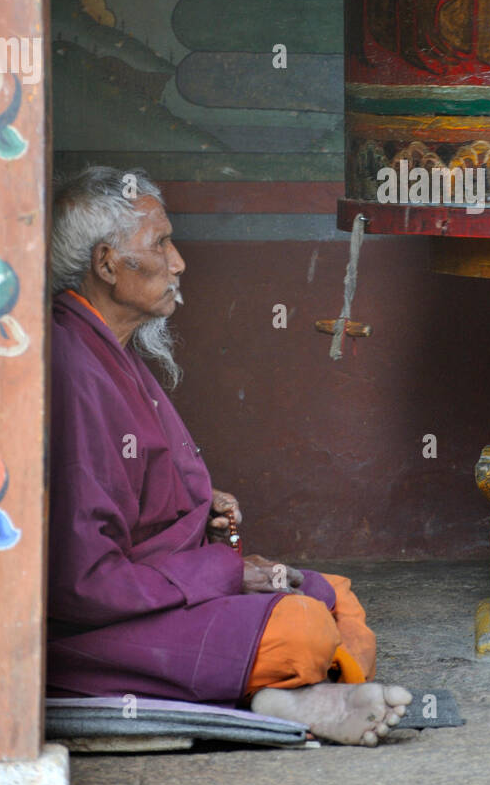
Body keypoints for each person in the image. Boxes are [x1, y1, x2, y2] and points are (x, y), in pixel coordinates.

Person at [47, 166, 410, 746]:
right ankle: (289, 691)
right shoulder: (74, 366)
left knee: (334, 593)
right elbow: (84, 582)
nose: (178, 262)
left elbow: (135, 489)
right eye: (160, 243)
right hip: (85, 630)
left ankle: (285, 696)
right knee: (303, 629)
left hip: (156, 592)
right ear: (107, 264)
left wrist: (196, 509)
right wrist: (225, 573)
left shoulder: (108, 350)